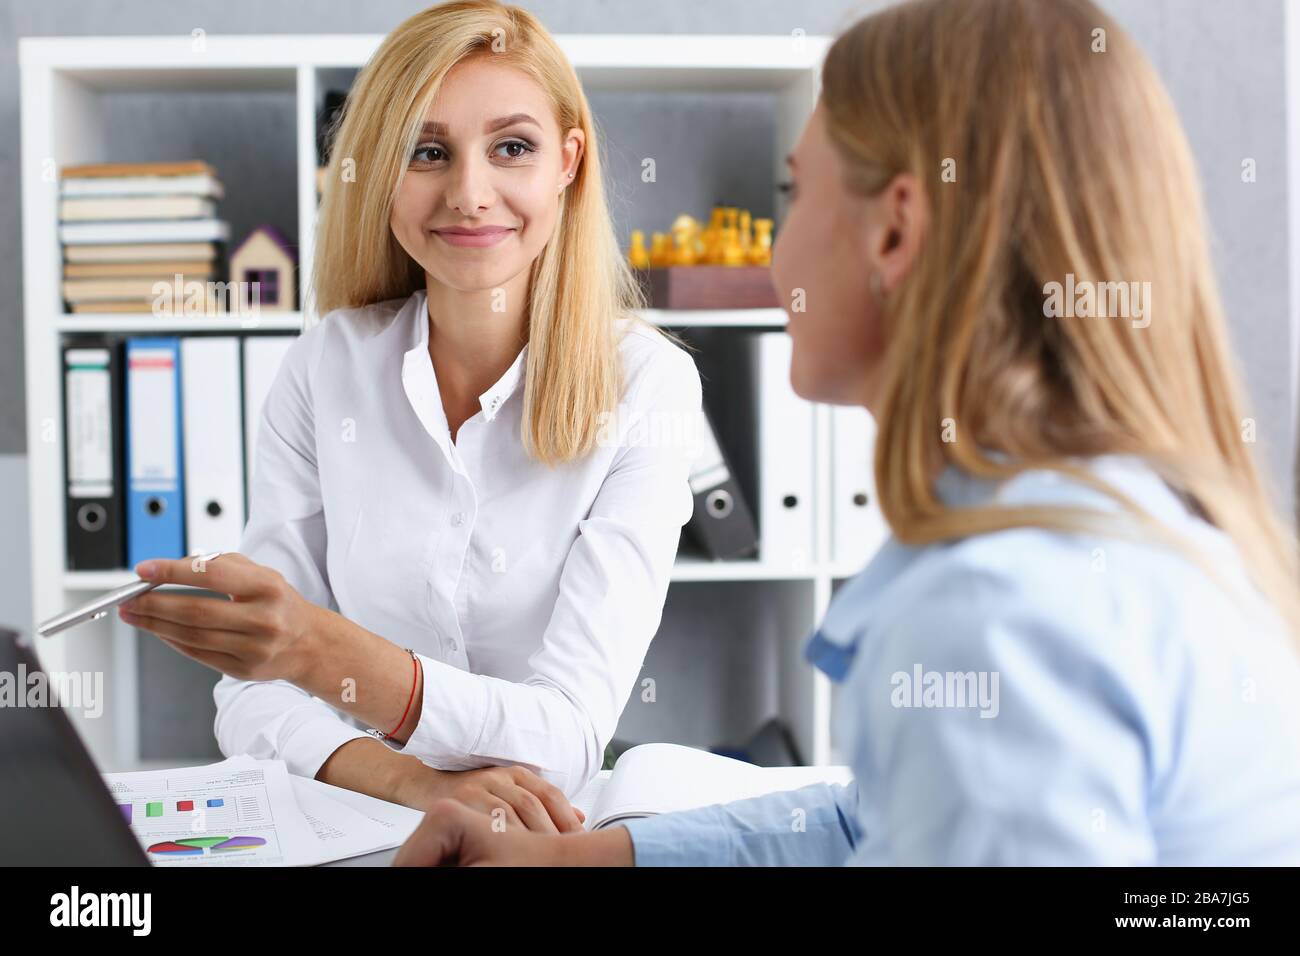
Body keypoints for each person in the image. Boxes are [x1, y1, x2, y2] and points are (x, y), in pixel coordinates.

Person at [392, 0, 1300, 865]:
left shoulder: (1001, 617)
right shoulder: (1104, 526)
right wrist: (572, 860)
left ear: (896, 230)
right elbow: (862, 824)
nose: (777, 254)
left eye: (796, 193)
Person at [116, 0, 701, 834]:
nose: (469, 193)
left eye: (512, 148)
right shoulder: (326, 365)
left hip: (540, 830)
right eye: (427, 152)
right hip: (353, 816)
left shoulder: (649, 386)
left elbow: (569, 733)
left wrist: (322, 652)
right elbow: (252, 695)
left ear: (567, 163)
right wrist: (411, 785)